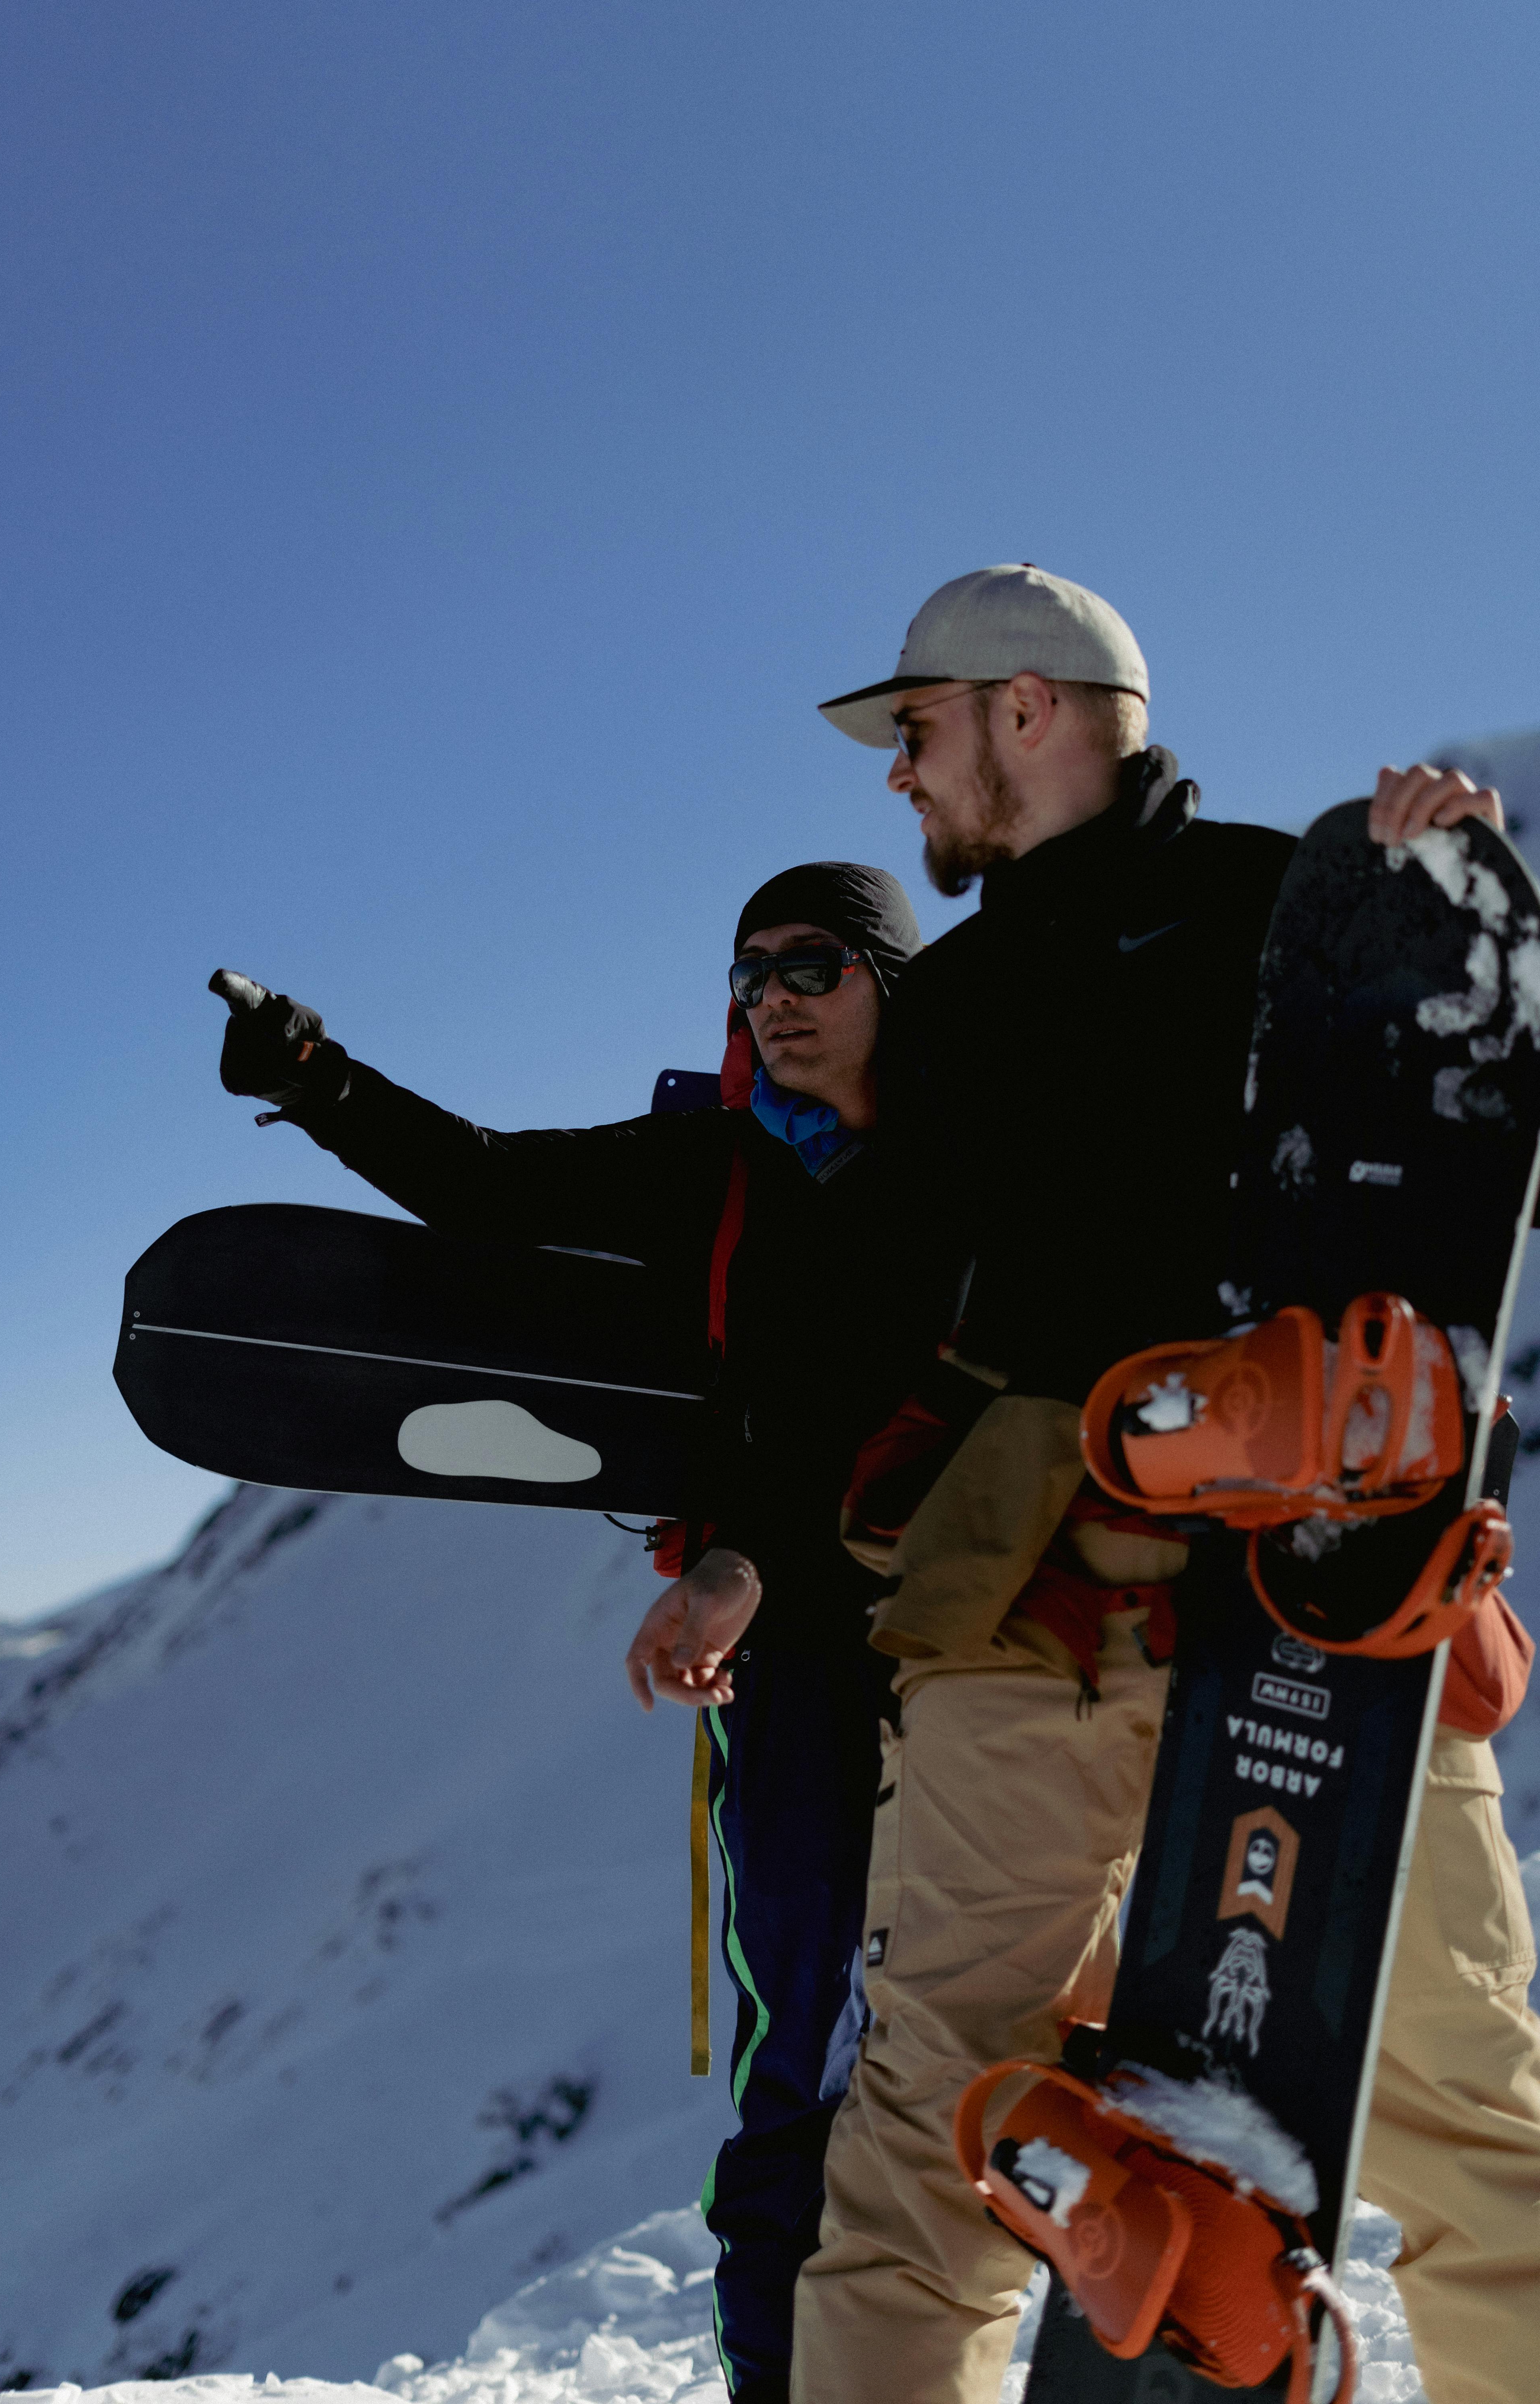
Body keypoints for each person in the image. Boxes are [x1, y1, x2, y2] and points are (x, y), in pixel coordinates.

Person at [768, 566, 1540, 2404]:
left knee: (1466, 2119)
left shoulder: (1287, 905)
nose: (897, 777)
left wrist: (1450, 895)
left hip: (1317, 1608)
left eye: (916, 729)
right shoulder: (940, 1009)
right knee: (914, 2150)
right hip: (1020, 1619)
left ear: (1028, 709)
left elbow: (1448, 1162)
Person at [208, 860, 945, 2404]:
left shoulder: (985, 1168)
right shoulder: (724, 1171)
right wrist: (317, 1077)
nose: (775, 1000)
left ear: (897, 975)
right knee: (800, 2047)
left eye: (812, 965)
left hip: (994, 1655)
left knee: (983, 2043)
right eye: (750, 977)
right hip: (799, 1663)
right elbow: (496, 1187)